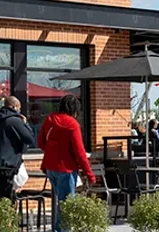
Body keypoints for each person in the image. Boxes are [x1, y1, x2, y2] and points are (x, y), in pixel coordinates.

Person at [38, 95, 96, 232]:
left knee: (62, 203)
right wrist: (90, 174)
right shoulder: (72, 124)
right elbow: (80, 152)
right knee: (68, 206)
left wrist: (53, 151)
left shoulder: (49, 120)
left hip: (50, 167)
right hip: (67, 168)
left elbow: (40, 143)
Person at [0, 96, 36, 199]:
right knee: (7, 200)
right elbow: (30, 139)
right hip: (7, 167)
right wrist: (25, 124)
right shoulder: (15, 121)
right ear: (15, 106)